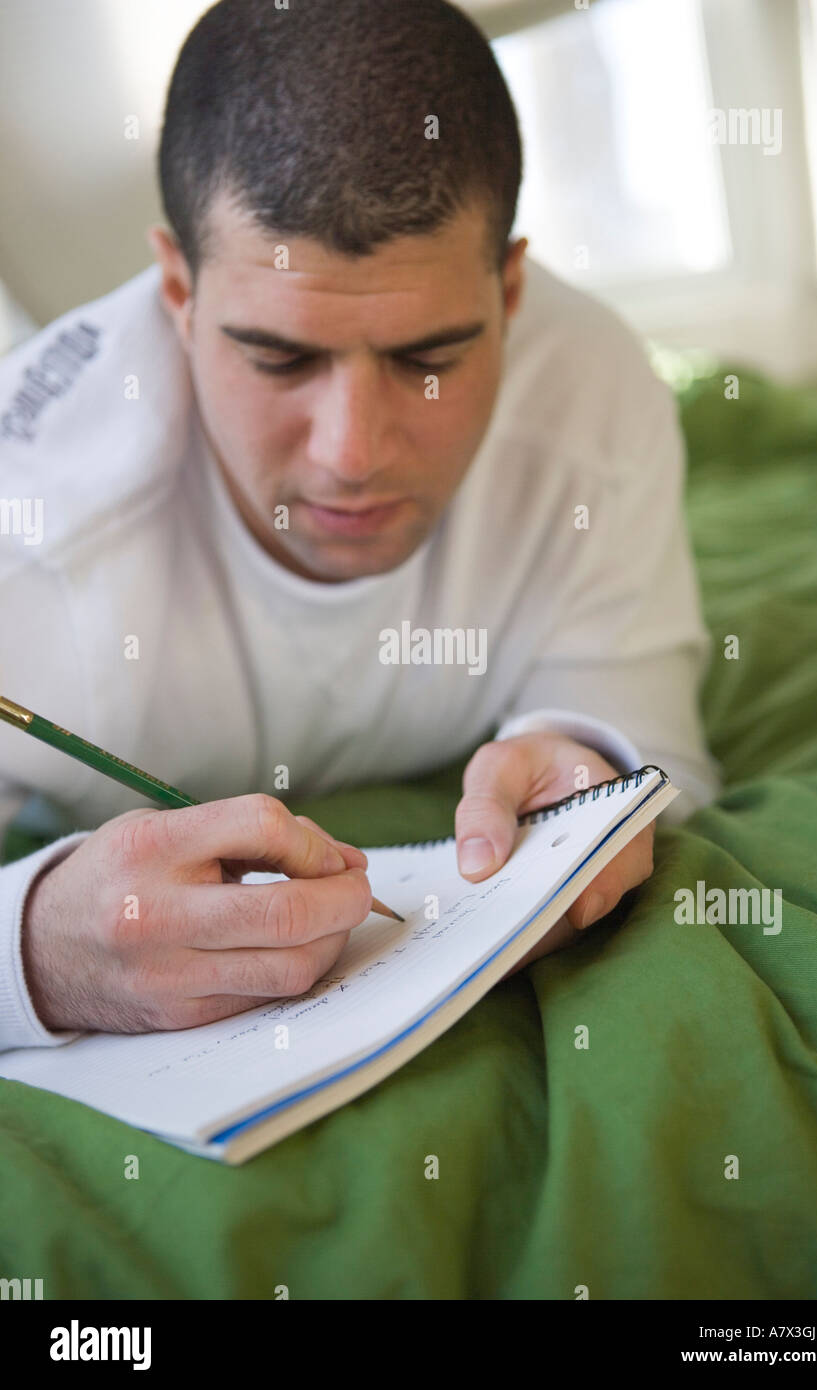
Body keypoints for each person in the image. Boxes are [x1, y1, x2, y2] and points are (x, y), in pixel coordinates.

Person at [0, 0, 718, 1052]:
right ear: (177, 292)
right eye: (279, 358)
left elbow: (643, 719)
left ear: (510, 290)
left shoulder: (593, 393)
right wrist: (38, 944)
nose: (354, 451)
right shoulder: (28, 536)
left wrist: (586, 756)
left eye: (428, 359)